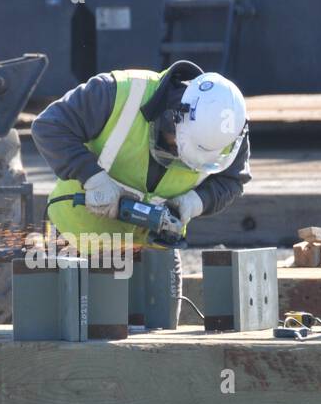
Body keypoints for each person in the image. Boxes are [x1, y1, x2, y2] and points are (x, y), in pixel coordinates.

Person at [33, 61, 251, 306]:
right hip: (76, 240)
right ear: (171, 116)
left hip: (154, 252)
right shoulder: (116, 93)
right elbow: (48, 126)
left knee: (157, 337)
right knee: (75, 333)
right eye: (176, 148)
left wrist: (194, 203)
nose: (182, 161)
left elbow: (232, 180)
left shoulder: (229, 131)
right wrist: (93, 178)